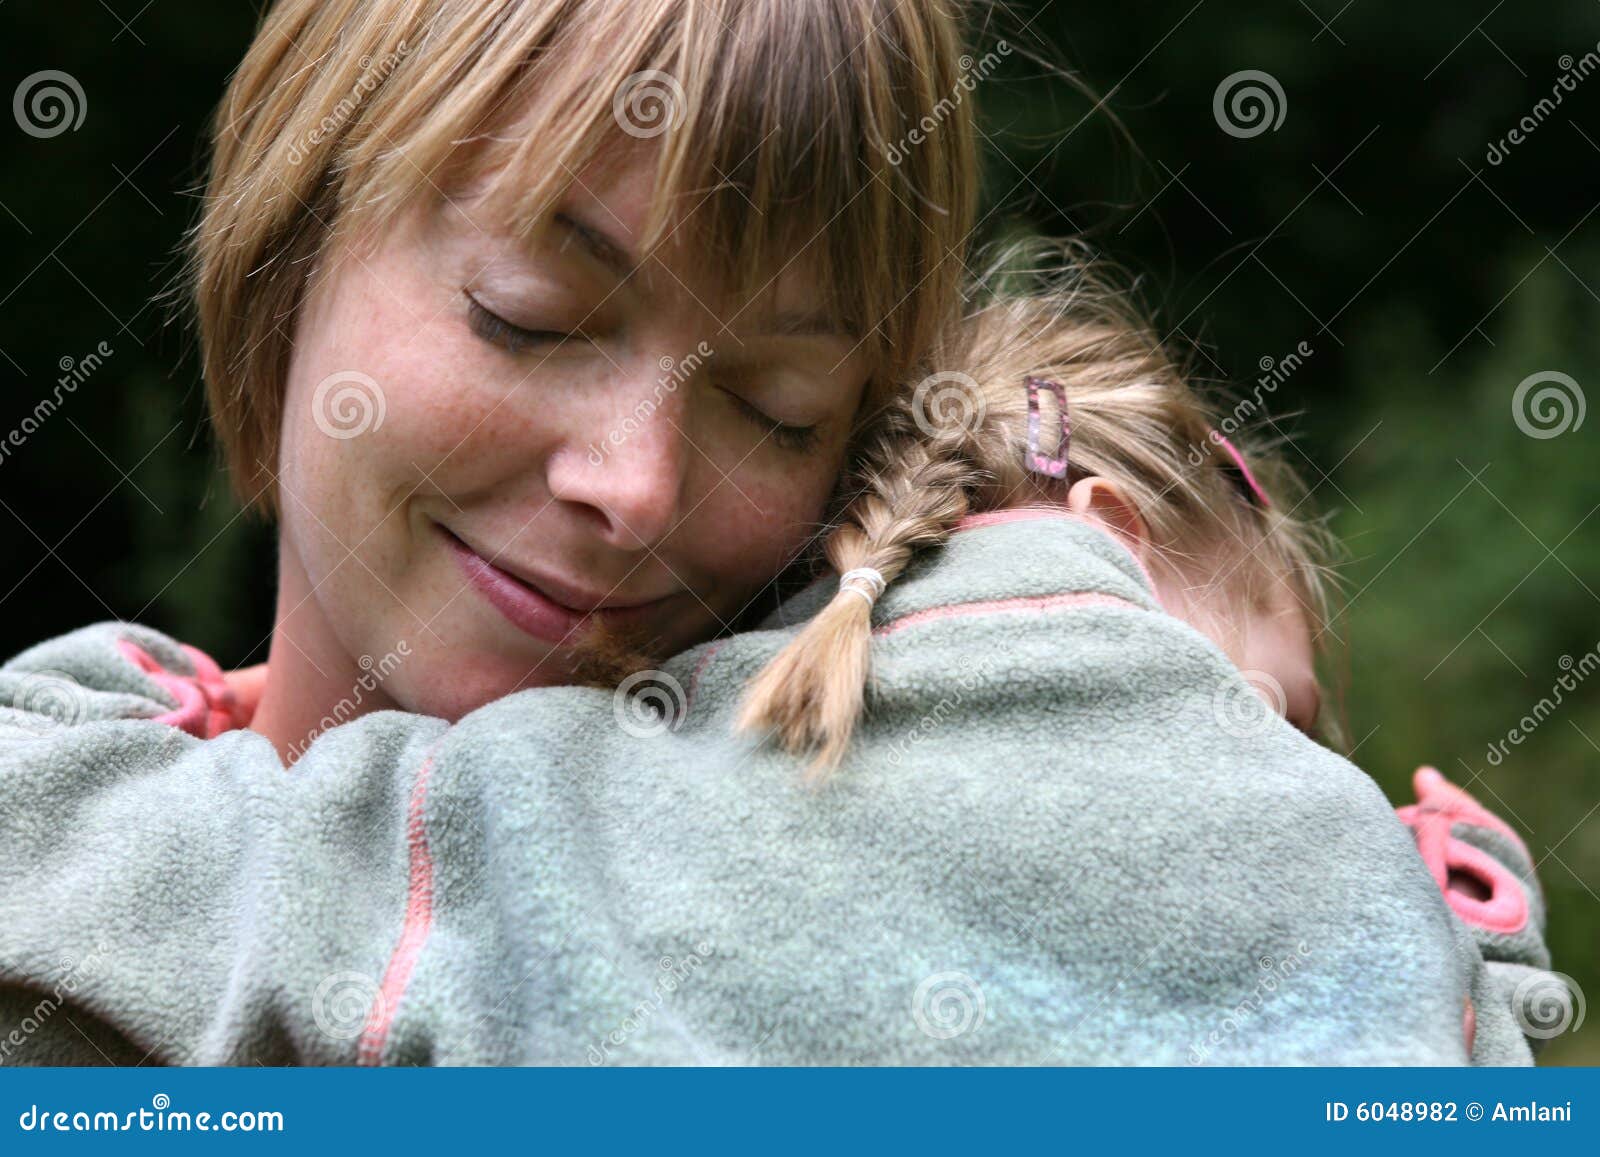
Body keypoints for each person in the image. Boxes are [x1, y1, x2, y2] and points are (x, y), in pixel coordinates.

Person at [0, 254, 1556, 1065]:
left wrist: (142, 720)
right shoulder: (1292, 829)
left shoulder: (558, 824)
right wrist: (1477, 935)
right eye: (1275, 715)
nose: (1315, 779)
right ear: (1107, 543)